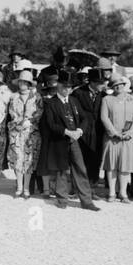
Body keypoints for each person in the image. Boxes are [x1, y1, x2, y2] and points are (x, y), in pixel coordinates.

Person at [40, 71, 100, 211]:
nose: (67, 89)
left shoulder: (74, 100)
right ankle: (62, 200)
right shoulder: (50, 103)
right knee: (62, 170)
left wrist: (79, 131)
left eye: (69, 87)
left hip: (75, 140)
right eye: (64, 86)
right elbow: (51, 124)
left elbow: (85, 118)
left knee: (81, 168)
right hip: (60, 140)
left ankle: (86, 201)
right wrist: (67, 132)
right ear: (58, 85)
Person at [99, 74, 133, 203]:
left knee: (125, 165)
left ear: (124, 85)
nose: (118, 87)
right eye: (115, 85)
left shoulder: (132, 99)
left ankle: (123, 193)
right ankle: (111, 192)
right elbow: (104, 118)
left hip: (128, 138)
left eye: (120, 85)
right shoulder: (107, 99)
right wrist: (114, 132)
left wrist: (131, 132)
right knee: (111, 165)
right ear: (112, 87)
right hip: (112, 137)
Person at [5, 69, 43, 198]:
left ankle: (26, 188)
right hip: (16, 132)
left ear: (29, 83)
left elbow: (39, 113)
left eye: (24, 82)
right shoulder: (13, 97)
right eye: (20, 81)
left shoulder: (36, 97)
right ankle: (19, 187)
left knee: (29, 161)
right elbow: (11, 113)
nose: (22, 84)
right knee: (17, 159)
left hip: (31, 133)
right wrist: (18, 124)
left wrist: (30, 121)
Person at [73, 68, 106, 195]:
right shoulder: (78, 93)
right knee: (80, 160)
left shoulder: (104, 96)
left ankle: (91, 189)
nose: (102, 85)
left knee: (95, 161)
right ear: (92, 82)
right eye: (99, 83)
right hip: (81, 131)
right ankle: (78, 189)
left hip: (98, 132)